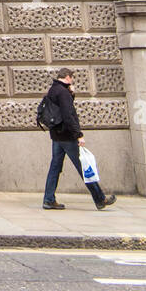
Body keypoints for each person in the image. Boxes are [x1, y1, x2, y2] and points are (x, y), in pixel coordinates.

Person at [42, 67, 116, 210]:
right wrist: (78, 135)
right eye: (72, 78)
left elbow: (59, 109)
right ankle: (100, 199)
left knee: (55, 168)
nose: (72, 80)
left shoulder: (54, 89)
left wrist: (71, 94)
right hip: (67, 136)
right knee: (84, 167)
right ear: (68, 77)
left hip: (56, 136)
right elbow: (68, 115)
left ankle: (49, 199)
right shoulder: (63, 92)